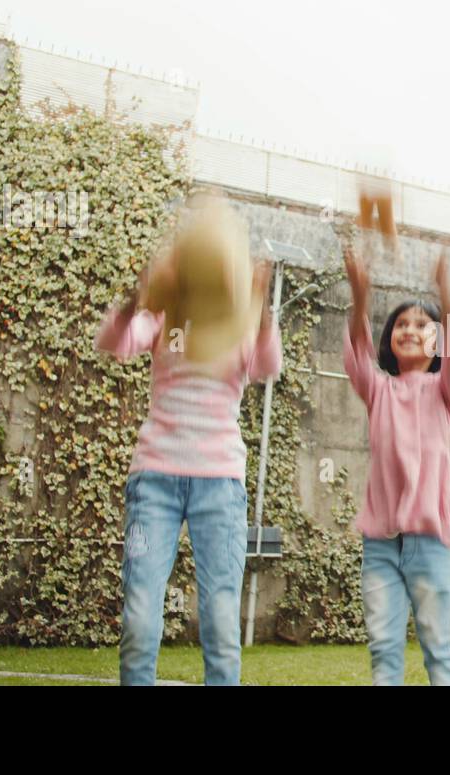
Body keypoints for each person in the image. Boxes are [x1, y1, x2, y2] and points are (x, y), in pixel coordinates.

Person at [94, 196, 281, 686]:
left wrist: (258, 306)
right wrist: (143, 294)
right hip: (154, 479)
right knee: (139, 612)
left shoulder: (238, 327)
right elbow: (113, 344)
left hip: (220, 484)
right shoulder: (164, 319)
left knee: (220, 620)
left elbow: (267, 367)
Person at [342, 235, 450, 685]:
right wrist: (361, 294)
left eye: (422, 325)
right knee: (383, 649)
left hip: (430, 542)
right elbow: (356, 348)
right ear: (389, 339)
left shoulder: (443, 390)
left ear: (437, 343)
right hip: (380, 545)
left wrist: (445, 292)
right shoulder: (377, 389)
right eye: (401, 325)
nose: (411, 330)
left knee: (439, 648)